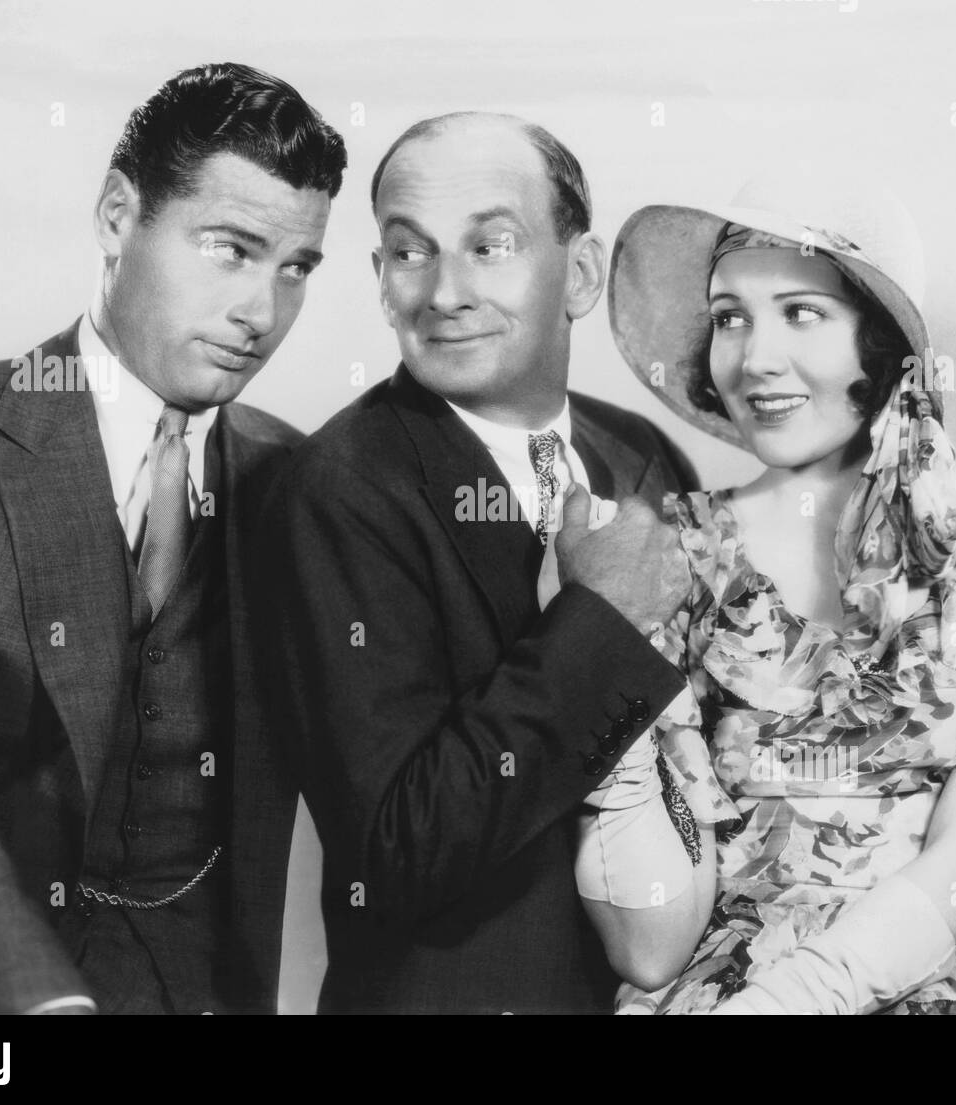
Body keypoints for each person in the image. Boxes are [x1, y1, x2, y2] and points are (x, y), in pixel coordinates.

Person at [567, 168, 956, 1014]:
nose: (755, 357)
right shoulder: (662, 558)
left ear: (880, 342)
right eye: (728, 318)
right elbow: (651, 941)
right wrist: (602, 642)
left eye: (801, 312)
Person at [0, 62, 345, 1014]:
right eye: (232, 249)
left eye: (295, 268)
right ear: (117, 216)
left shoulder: (297, 480)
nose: (263, 311)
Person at [254, 112, 701, 1014]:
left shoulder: (644, 456)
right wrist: (601, 619)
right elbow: (396, 852)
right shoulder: (338, 489)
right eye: (410, 254)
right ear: (380, 280)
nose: (444, 292)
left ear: (580, 273)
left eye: (490, 246)